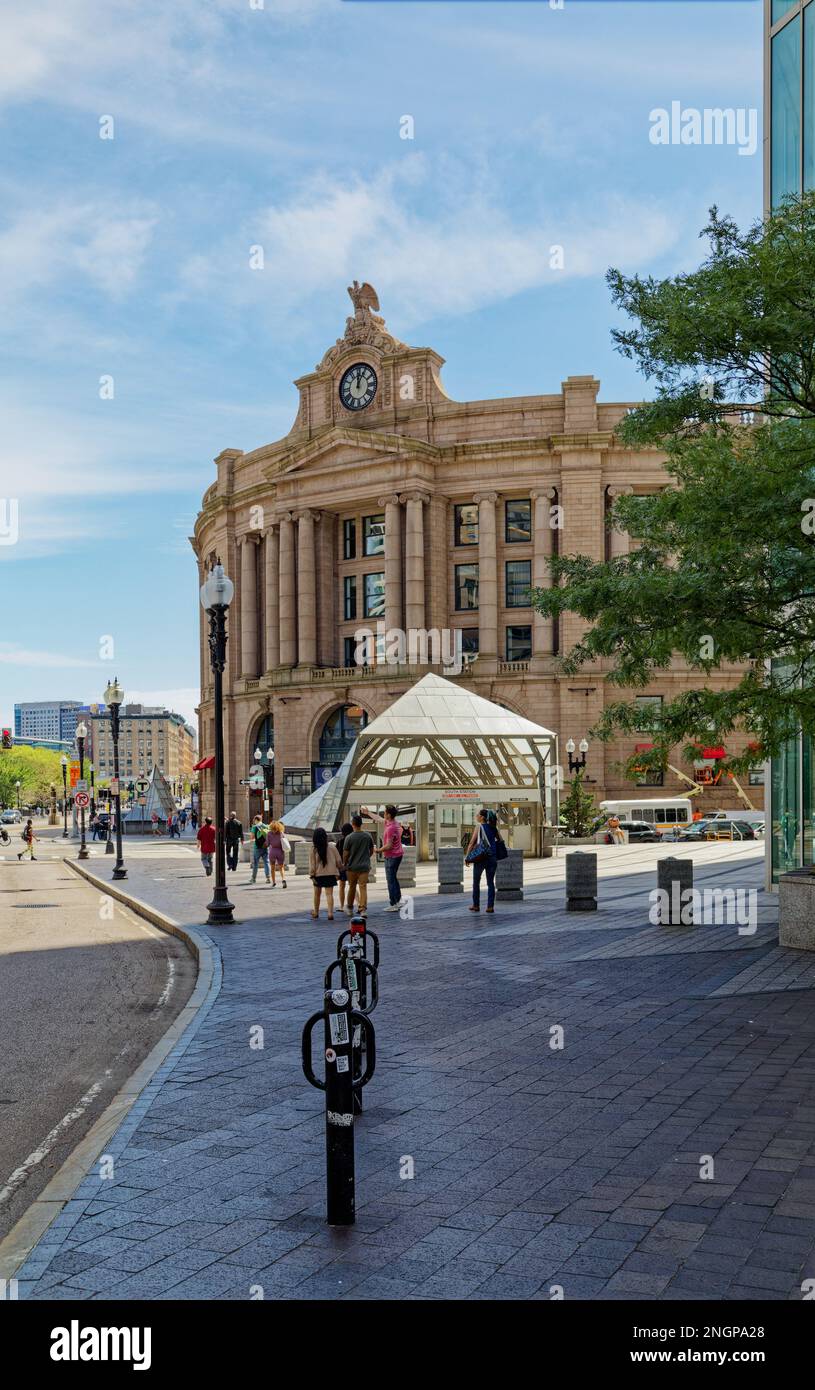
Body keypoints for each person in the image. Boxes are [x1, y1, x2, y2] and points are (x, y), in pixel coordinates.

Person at [364, 805, 404, 912]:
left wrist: (378, 850)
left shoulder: (391, 827)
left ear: (389, 815)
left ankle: (393, 904)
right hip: (397, 855)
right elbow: (379, 819)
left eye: (385, 813)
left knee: (390, 880)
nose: (384, 814)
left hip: (392, 856)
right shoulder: (393, 823)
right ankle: (398, 901)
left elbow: (389, 845)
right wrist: (368, 813)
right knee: (394, 878)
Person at [466, 807, 498, 914]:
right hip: (492, 857)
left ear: (482, 817)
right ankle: (490, 907)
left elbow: (471, 843)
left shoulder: (479, 827)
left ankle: (476, 905)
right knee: (490, 883)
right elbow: (500, 840)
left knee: (476, 882)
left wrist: (467, 856)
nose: (476, 816)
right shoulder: (493, 827)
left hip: (481, 858)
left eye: (478, 815)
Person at [342, 813, 374, 915]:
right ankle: (362, 909)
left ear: (353, 824)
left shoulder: (349, 838)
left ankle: (350, 908)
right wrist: (365, 858)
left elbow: (345, 854)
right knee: (363, 887)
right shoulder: (367, 836)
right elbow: (371, 850)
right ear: (361, 824)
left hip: (352, 867)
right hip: (364, 866)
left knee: (352, 887)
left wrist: (345, 863)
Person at [309, 828, 343, 921]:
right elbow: (339, 861)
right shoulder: (332, 847)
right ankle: (330, 913)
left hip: (318, 874)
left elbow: (312, 864)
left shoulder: (314, 849)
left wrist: (312, 875)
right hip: (330, 874)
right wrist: (340, 869)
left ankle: (316, 912)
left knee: (317, 894)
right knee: (329, 894)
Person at [335, 821, 353, 912]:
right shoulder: (353, 841)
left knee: (342, 886)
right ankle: (359, 905)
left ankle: (342, 906)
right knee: (352, 886)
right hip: (351, 866)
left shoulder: (340, 842)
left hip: (342, 867)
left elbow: (337, 856)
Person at [266, 820, 288, 887]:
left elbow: (267, 844)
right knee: (281, 868)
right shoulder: (281, 833)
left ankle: (274, 882)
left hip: (272, 851)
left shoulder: (269, 833)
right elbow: (284, 842)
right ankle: (283, 879)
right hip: (280, 851)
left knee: (272, 868)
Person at [250, 814, 270, 884]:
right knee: (266, 862)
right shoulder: (266, 826)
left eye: (254, 820)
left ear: (256, 820)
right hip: (265, 847)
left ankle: (253, 878)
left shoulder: (254, 827)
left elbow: (252, 838)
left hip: (257, 847)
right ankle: (268, 878)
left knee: (255, 863)